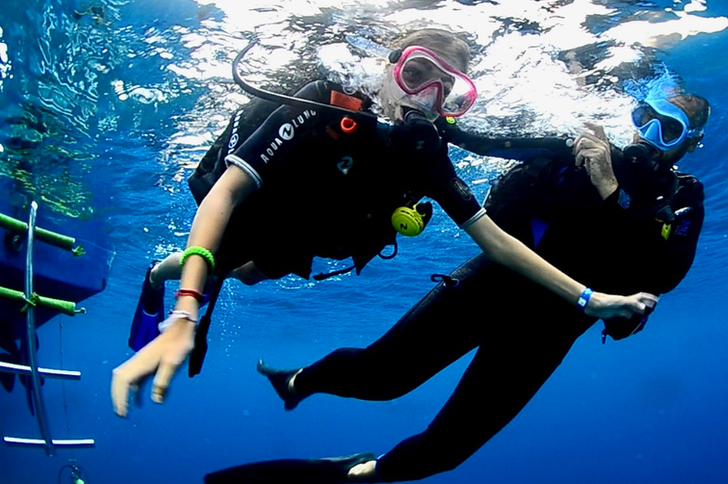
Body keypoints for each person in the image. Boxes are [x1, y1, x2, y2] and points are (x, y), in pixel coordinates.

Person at [111, 29, 655, 417]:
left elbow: (496, 241)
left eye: (447, 91)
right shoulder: (322, 105)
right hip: (264, 214)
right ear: (388, 67)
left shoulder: (425, 150)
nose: (425, 97)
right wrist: (185, 310)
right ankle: (158, 279)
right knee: (217, 268)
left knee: (258, 274)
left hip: (315, 233)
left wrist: (592, 300)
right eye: (416, 74)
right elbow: (227, 192)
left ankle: (201, 279)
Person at [204, 74, 709, 483]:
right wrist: (414, 126)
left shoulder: (683, 201)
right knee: (382, 378)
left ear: (690, 145)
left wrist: (609, 189)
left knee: (447, 451)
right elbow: (473, 140)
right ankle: (297, 381)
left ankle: (355, 474)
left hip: (551, 327)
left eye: (669, 131)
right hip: (490, 285)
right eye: (645, 118)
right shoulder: (578, 152)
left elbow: (665, 272)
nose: (647, 138)